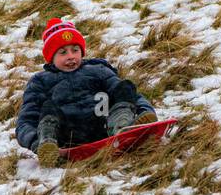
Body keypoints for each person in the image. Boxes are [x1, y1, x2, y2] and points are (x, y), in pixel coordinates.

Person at [16, 18, 157, 166]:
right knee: (48, 107)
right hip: (66, 137)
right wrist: (35, 142)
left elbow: (131, 96)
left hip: (105, 126)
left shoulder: (98, 70)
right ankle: (48, 144)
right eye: (63, 52)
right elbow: (26, 120)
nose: (70, 56)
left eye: (75, 50)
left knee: (124, 86)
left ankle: (124, 127)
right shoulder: (40, 81)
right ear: (51, 58)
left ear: (82, 52)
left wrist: (144, 111)